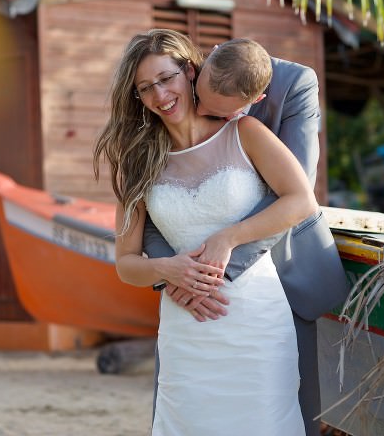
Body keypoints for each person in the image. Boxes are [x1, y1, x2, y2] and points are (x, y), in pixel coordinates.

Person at [94, 29, 318, 434]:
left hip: (255, 317)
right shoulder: (136, 164)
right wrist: (167, 270)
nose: (160, 95)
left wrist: (227, 237)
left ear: (189, 71)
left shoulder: (245, 132)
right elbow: (125, 264)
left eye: (166, 78)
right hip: (185, 325)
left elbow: (300, 200)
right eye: (145, 88)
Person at [143, 38, 350, 436]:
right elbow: (153, 203)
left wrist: (217, 267)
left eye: (219, 113)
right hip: (188, 289)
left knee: (281, 406)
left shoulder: (295, 86)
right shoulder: (179, 80)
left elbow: (292, 191)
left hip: (277, 271)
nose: (200, 113)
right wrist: (175, 273)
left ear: (256, 100)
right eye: (200, 100)